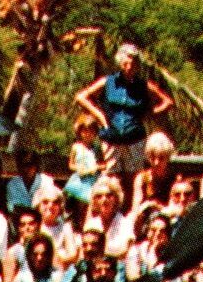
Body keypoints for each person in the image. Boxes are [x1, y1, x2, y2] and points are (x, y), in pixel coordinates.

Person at [74, 42, 174, 184]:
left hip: (134, 138)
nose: (129, 67)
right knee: (111, 177)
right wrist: (99, 115)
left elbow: (168, 102)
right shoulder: (108, 82)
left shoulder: (143, 85)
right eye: (126, 63)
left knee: (134, 178)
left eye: (133, 64)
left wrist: (148, 114)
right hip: (111, 137)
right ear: (120, 63)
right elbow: (81, 97)